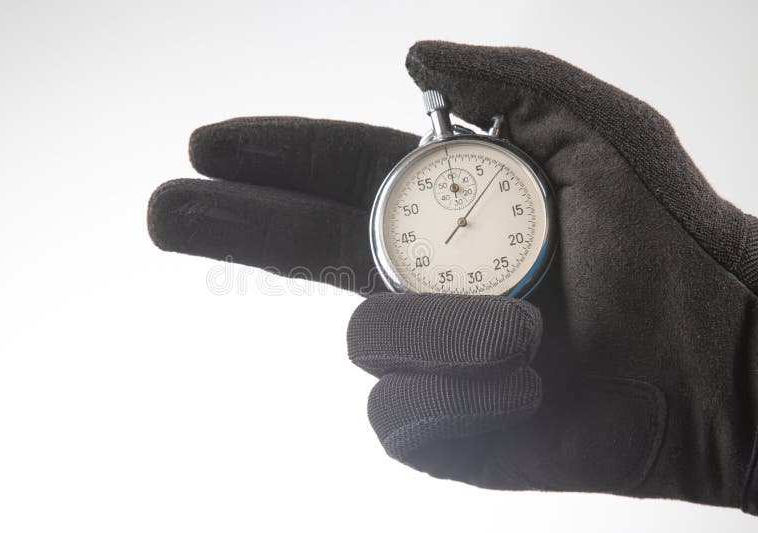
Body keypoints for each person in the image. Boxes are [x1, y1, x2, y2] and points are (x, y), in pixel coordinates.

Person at [147, 41, 758, 514]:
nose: (463, 216)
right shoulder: (412, 212)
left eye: (474, 200)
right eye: (441, 205)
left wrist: (736, 356)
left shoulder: (556, 197)